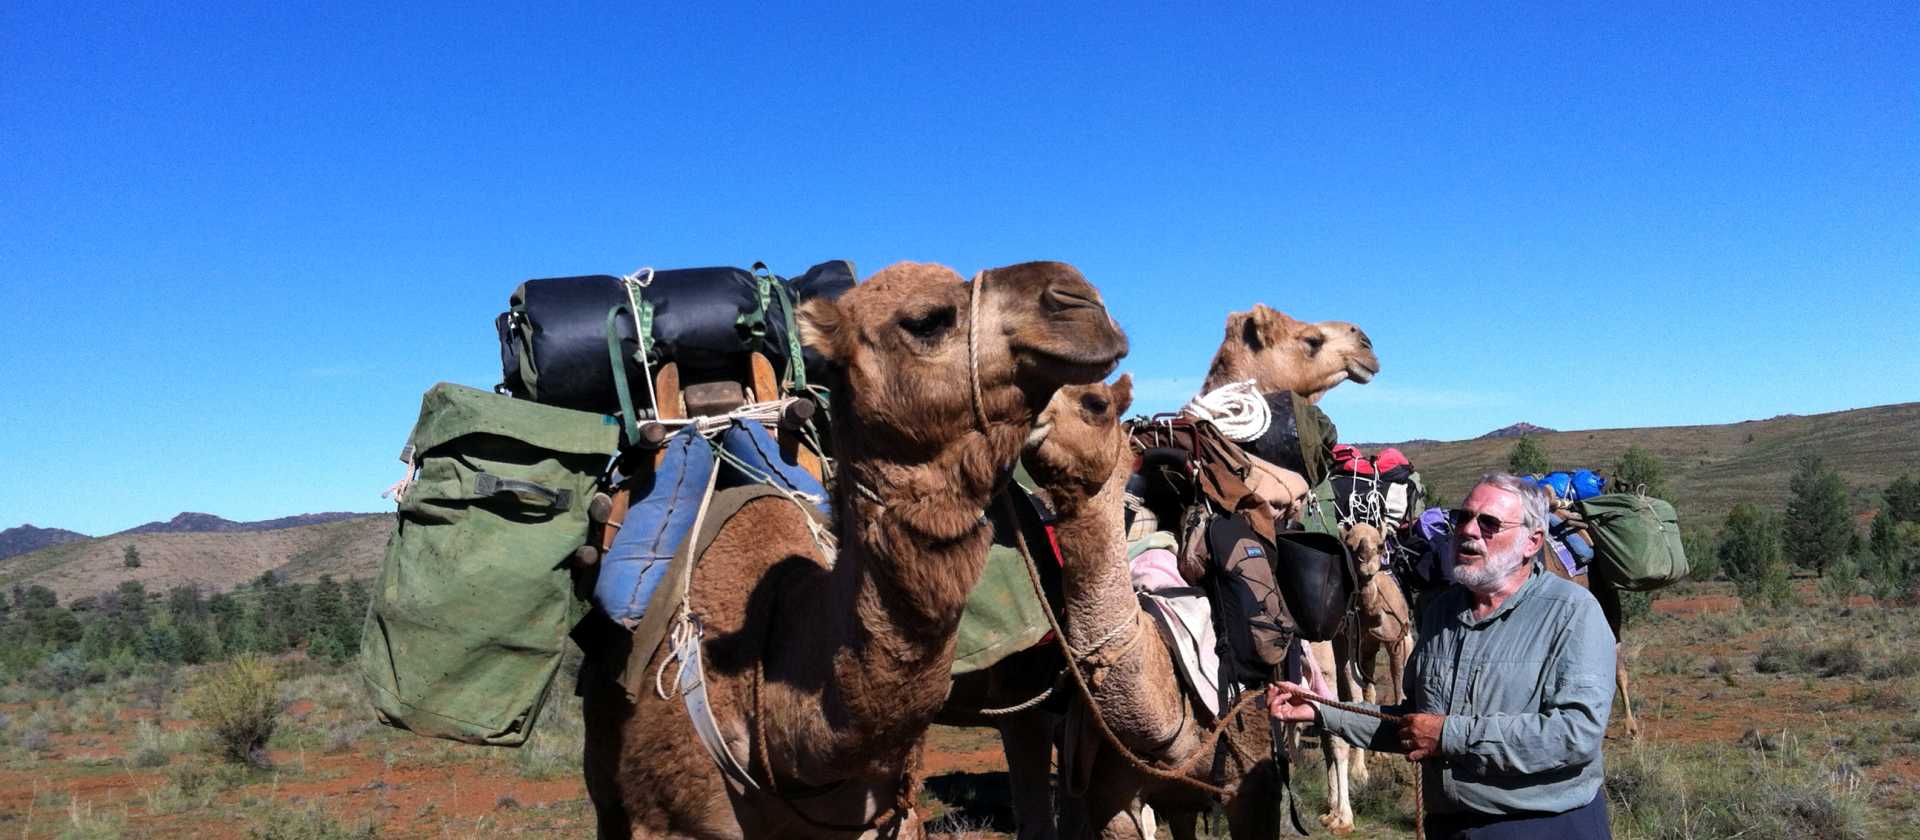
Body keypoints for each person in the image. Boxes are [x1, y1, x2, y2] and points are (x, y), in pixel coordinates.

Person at [1269, 473, 1616, 838]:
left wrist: (1449, 735)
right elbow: (1415, 724)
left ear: (1532, 542)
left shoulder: (1572, 612)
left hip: (1543, 825)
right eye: (1462, 517)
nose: (1468, 530)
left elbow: (1575, 733)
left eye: (1489, 523)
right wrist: (1322, 710)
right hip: (1449, 825)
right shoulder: (1440, 612)